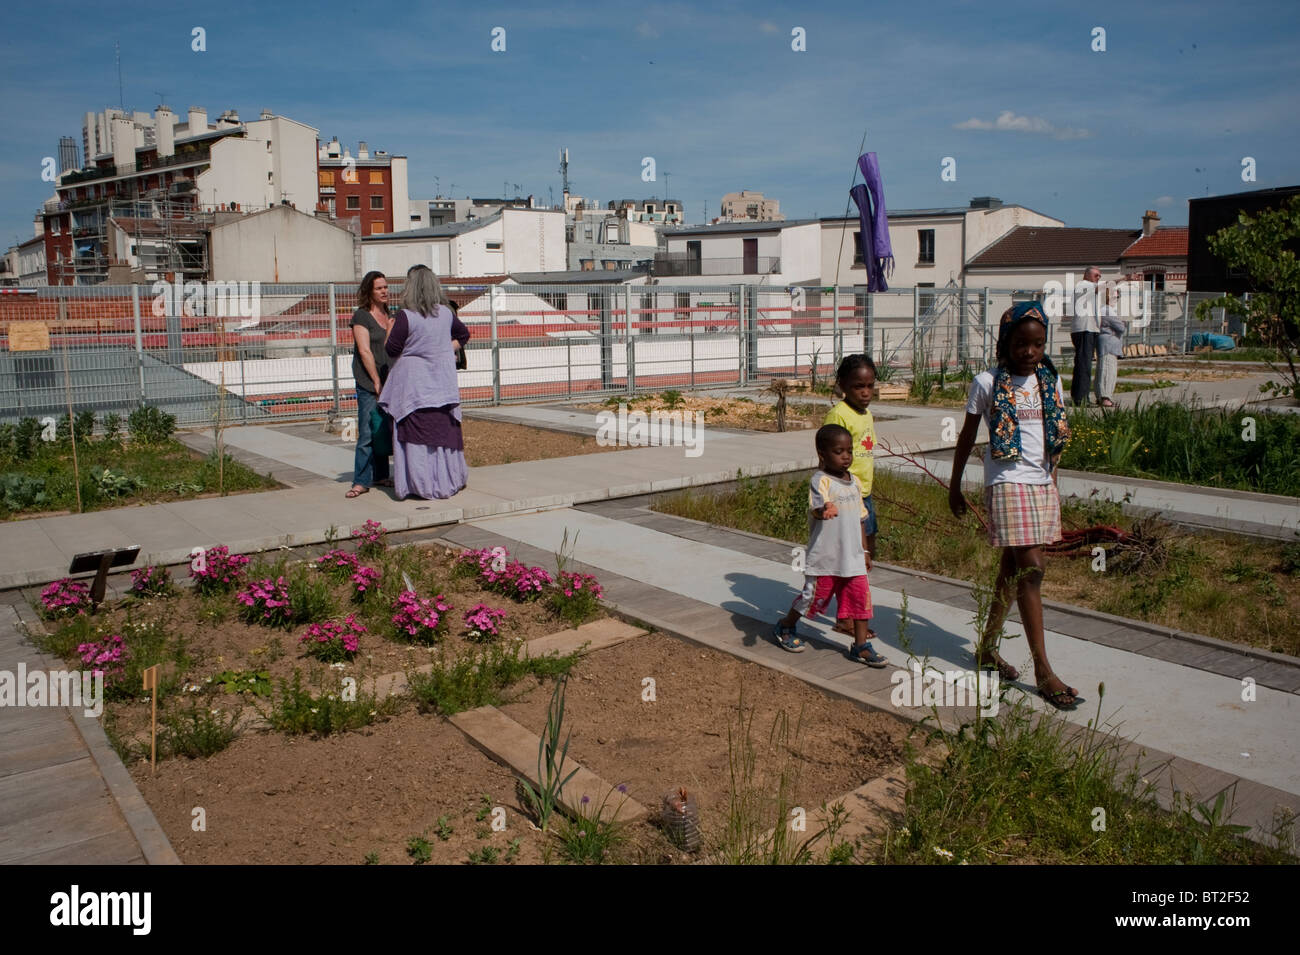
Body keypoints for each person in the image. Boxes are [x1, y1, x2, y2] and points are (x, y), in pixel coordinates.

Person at [948, 301, 1081, 710]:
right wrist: (955, 487)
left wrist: (1053, 481)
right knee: (1032, 569)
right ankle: (1043, 670)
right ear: (1006, 342)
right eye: (1021, 344)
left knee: (1012, 567)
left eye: (1038, 344)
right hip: (1005, 481)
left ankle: (987, 647)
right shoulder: (987, 382)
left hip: (1040, 483)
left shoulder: (1050, 382)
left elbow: (1051, 438)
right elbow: (968, 438)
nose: (1030, 352)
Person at [773, 424, 886, 667]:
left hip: (853, 557)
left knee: (861, 600)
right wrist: (823, 510)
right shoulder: (821, 480)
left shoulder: (854, 482)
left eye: (849, 451)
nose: (846, 456)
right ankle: (786, 625)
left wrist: (865, 551)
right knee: (812, 597)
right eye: (839, 451)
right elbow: (816, 508)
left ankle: (860, 646)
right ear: (822, 455)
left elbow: (861, 520)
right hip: (825, 557)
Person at [379, 265, 471, 500]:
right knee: (443, 434)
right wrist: (443, 349)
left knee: (416, 436)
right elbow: (464, 335)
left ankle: (420, 484)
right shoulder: (446, 313)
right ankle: (448, 480)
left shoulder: (405, 316)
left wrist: (389, 330)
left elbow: (391, 350)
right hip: (442, 386)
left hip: (414, 389)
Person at [823, 354, 878, 639]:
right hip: (846, 500)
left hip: (864, 497)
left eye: (870, 385)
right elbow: (826, 456)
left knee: (865, 556)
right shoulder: (839, 415)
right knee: (851, 558)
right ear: (843, 384)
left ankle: (852, 611)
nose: (866, 392)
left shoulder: (866, 414)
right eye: (859, 386)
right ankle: (846, 617)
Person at [347, 270, 392, 498]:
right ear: (369, 291)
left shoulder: (390, 314)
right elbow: (364, 351)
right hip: (369, 382)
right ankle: (360, 480)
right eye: (379, 288)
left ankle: (381, 475)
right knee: (366, 432)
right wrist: (376, 382)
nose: (384, 291)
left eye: (385, 287)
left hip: (389, 381)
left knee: (382, 429)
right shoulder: (361, 316)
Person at [1069, 265, 1102, 407]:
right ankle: (1081, 398)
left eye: (1100, 275)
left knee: (1083, 363)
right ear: (1087, 275)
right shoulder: (1083, 285)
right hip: (1084, 329)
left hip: (1090, 329)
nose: (1099, 278)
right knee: (1084, 364)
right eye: (1096, 275)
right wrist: (1124, 279)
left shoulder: (1090, 287)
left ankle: (1078, 395)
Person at [1095, 288, 1125, 409]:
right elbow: (1121, 327)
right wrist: (1121, 323)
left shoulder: (1108, 310)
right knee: (1108, 370)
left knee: (1105, 370)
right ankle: (1105, 397)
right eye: (1113, 297)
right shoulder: (1106, 310)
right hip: (1108, 344)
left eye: (1116, 297)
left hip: (1109, 344)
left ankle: (1102, 396)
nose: (1115, 300)